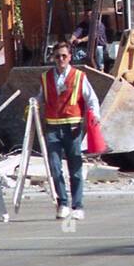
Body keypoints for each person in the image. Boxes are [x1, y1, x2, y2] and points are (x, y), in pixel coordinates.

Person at [42, 40, 101, 220]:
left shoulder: (79, 76)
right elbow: (40, 96)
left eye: (64, 56)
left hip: (73, 127)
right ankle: (63, 203)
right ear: (53, 57)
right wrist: (32, 106)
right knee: (54, 166)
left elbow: (91, 99)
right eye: (58, 56)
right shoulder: (46, 78)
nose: (61, 59)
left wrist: (95, 116)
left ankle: (78, 206)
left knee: (75, 167)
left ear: (70, 57)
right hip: (52, 126)